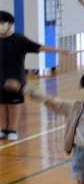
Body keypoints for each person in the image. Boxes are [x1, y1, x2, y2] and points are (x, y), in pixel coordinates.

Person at [1, 9, 74, 141]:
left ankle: (12, 130)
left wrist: (60, 50)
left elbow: (40, 47)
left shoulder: (19, 40)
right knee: (1, 105)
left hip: (15, 79)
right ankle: (3, 129)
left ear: (10, 24)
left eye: (2, 23)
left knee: (13, 105)